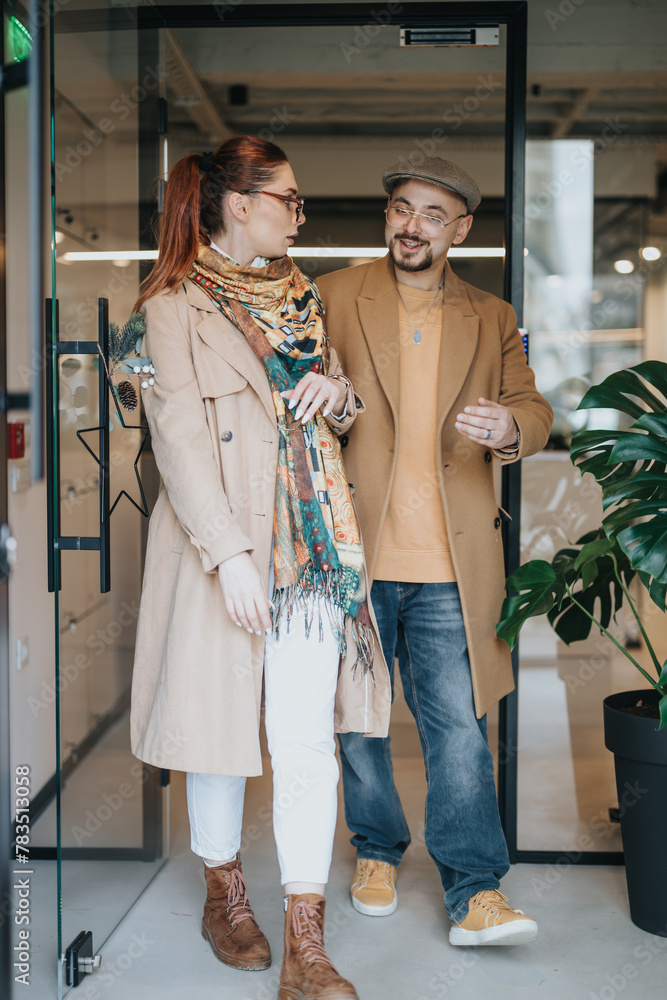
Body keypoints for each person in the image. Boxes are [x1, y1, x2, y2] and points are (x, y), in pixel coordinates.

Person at [130, 135, 390, 999]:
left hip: (312, 554)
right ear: (239, 204)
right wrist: (231, 556)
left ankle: (305, 944)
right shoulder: (172, 306)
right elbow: (178, 443)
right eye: (290, 198)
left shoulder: (302, 297)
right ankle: (225, 897)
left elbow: (336, 404)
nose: (299, 214)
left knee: (304, 735)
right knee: (218, 733)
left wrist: (337, 394)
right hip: (223, 551)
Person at [317, 156, 553, 947]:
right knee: (359, 723)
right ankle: (376, 850)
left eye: (429, 214)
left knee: (456, 729)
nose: (410, 226)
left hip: (449, 565)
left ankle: (475, 890)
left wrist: (510, 428)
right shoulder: (334, 295)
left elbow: (532, 406)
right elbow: (299, 400)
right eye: (400, 209)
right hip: (356, 553)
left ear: (460, 229)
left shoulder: (491, 314)